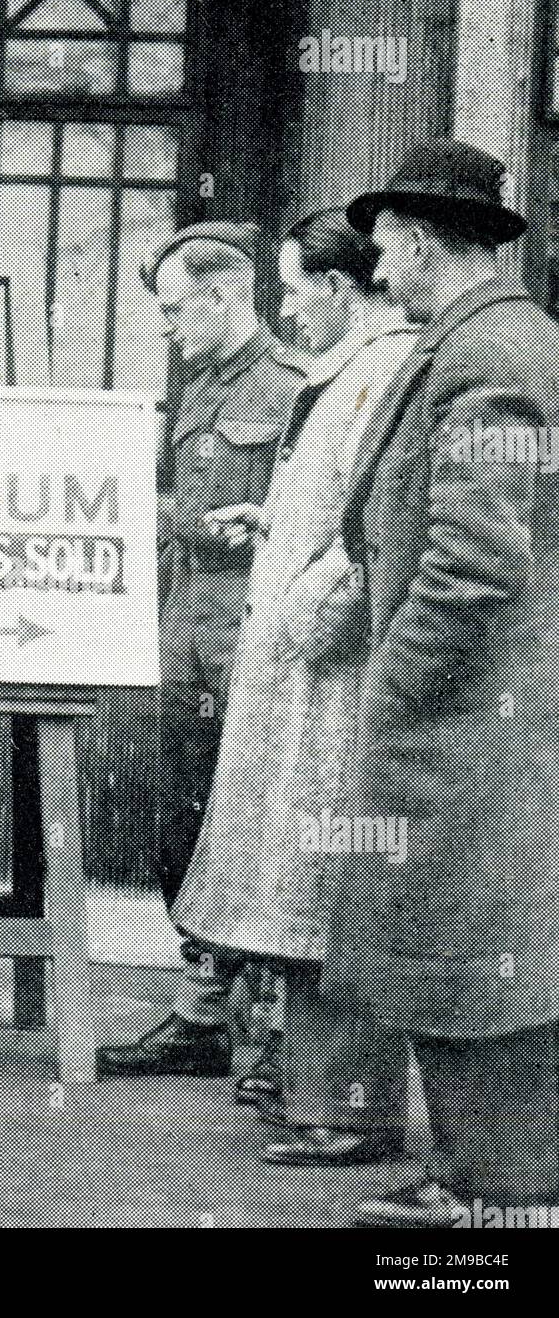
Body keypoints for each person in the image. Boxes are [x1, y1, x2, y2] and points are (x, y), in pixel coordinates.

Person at [321, 137, 559, 1225]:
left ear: (419, 243)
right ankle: (482, 1175)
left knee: (473, 948)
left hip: (468, 716)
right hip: (474, 714)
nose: (377, 271)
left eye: (382, 251)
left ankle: (500, 1189)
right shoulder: (485, 340)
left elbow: (476, 557)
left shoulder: (492, 354)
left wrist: (395, 684)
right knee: (456, 940)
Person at [169, 209, 418, 1163]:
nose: (285, 308)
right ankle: (316, 1095)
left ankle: (350, 1112)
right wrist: (271, 519)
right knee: (301, 887)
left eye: (294, 288)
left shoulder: (380, 371)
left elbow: (376, 531)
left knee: (333, 888)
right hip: (302, 671)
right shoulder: (344, 372)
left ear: (340, 289)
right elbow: (330, 507)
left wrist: (307, 612)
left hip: (334, 672)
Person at [98, 222, 306, 1078]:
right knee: (181, 819)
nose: (167, 325)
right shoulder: (200, 383)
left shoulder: (292, 385)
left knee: (260, 826)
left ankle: (275, 1029)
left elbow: (304, 525)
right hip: (186, 639)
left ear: (222, 296)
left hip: (250, 644)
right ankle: (202, 1012)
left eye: (178, 308)